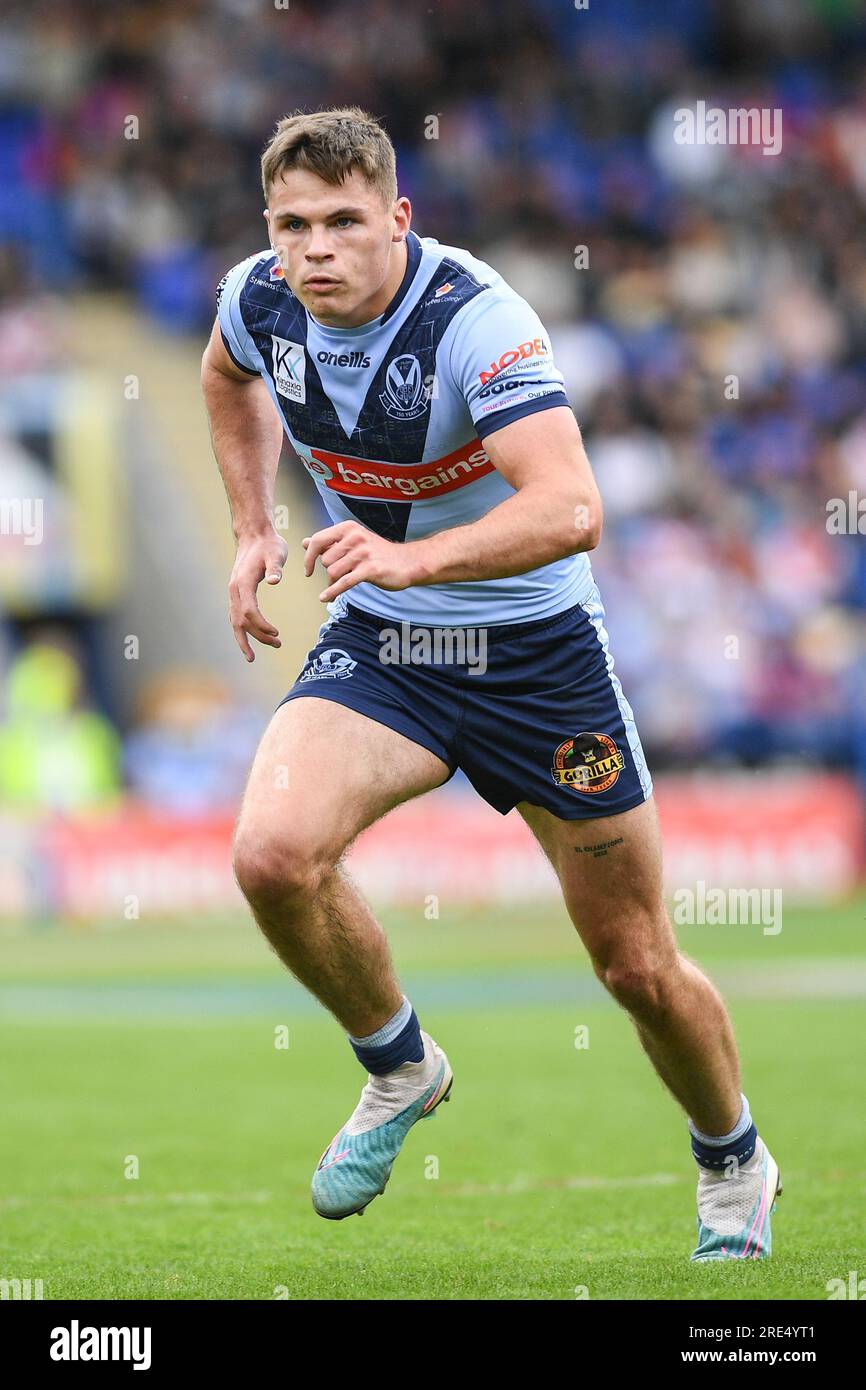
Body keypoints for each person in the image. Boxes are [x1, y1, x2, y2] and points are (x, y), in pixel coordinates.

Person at [200, 107, 780, 1259]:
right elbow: (225, 378)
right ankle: (399, 1063)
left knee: (634, 964)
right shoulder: (254, 298)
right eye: (292, 225)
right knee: (270, 854)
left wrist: (411, 554)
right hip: (390, 648)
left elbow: (572, 509)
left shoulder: (478, 320)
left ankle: (732, 1158)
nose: (314, 249)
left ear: (397, 219)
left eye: (343, 223)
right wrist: (249, 527)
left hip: (535, 660)